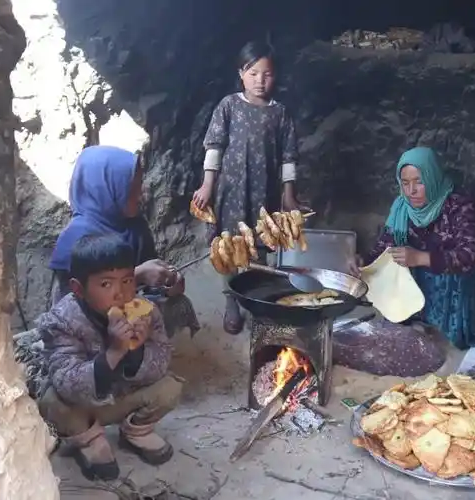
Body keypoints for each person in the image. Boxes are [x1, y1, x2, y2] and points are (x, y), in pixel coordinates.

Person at [38, 234, 183, 481]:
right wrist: (115, 352)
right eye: (106, 284)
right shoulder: (62, 321)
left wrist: (136, 350)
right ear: (78, 289)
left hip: (125, 397)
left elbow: (162, 359)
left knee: (171, 387)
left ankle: (136, 431)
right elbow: (65, 380)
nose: (121, 293)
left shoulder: (146, 311)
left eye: (127, 280)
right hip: (84, 406)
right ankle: (90, 439)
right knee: (52, 402)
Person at [350, 146, 475, 349]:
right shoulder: (402, 209)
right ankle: (423, 318)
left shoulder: (461, 206)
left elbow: (472, 256)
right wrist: (364, 263)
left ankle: (456, 330)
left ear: (432, 177)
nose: (411, 191)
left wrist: (420, 258)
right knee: (396, 265)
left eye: (419, 182)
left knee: (456, 275)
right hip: (432, 279)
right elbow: (385, 249)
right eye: (405, 183)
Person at [191, 40, 304, 335]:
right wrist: (207, 186)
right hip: (230, 193)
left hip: (264, 194)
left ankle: (255, 299)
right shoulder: (228, 106)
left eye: (267, 74)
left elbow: (288, 157)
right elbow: (214, 148)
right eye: (253, 73)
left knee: (259, 247)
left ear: (275, 76)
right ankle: (231, 300)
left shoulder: (280, 114)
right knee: (229, 247)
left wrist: (289, 195)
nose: (259, 80)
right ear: (241, 73)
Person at [49, 144, 199, 337]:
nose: (142, 193)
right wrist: (136, 275)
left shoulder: (134, 227)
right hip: (91, 325)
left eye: (140, 184)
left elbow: (148, 285)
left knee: (177, 304)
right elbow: (74, 308)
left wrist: (167, 285)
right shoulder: (74, 240)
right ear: (107, 189)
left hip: (128, 306)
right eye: (132, 188)